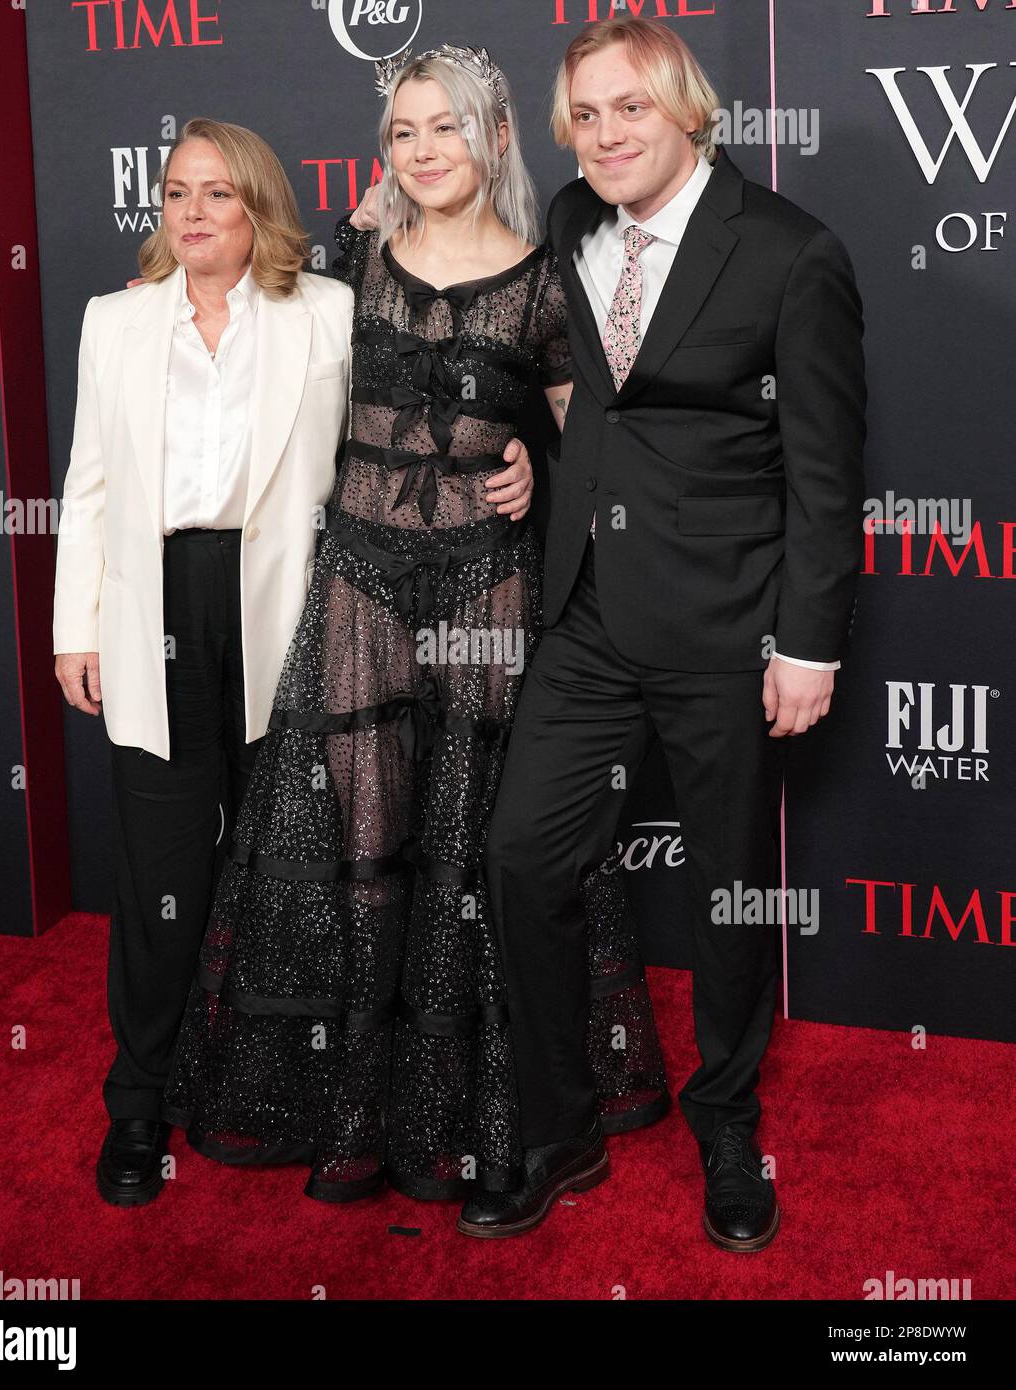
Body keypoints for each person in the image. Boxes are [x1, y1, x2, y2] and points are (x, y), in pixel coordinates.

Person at [161, 44, 669, 1211]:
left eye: (447, 127)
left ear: (493, 137)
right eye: (403, 131)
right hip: (359, 588)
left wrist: (540, 475)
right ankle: (353, 1113)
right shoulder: (350, 263)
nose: (425, 149)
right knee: (365, 846)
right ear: (385, 149)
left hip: (486, 597)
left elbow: (586, 440)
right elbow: (238, 335)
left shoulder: (549, 285)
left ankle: (472, 1115)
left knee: (466, 852)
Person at [456, 18, 866, 1246]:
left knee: (730, 893)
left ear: (688, 111)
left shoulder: (792, 255)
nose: (605, 135)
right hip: (583, 612)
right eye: (584, 116)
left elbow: (825, 471)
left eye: (629, 109)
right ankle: (558, 1117)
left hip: (726, 631)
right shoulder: (574, 227)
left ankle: (727, 1122)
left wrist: (808, 641)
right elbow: (580, 390)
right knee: (523, 859)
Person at [54, 118, 378, 1207]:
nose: (193, 212)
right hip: (154, 613)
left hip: (285, 610)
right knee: (160, 874)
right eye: (178, 192)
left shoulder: (324, 315)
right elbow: (89, 484)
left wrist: (518, 450)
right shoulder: (115, 322)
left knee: (295, 867)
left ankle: (289, 1088)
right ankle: (138, 1105)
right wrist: (74, 627)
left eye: (219, 195)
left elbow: (398, 434)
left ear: (260, 210)